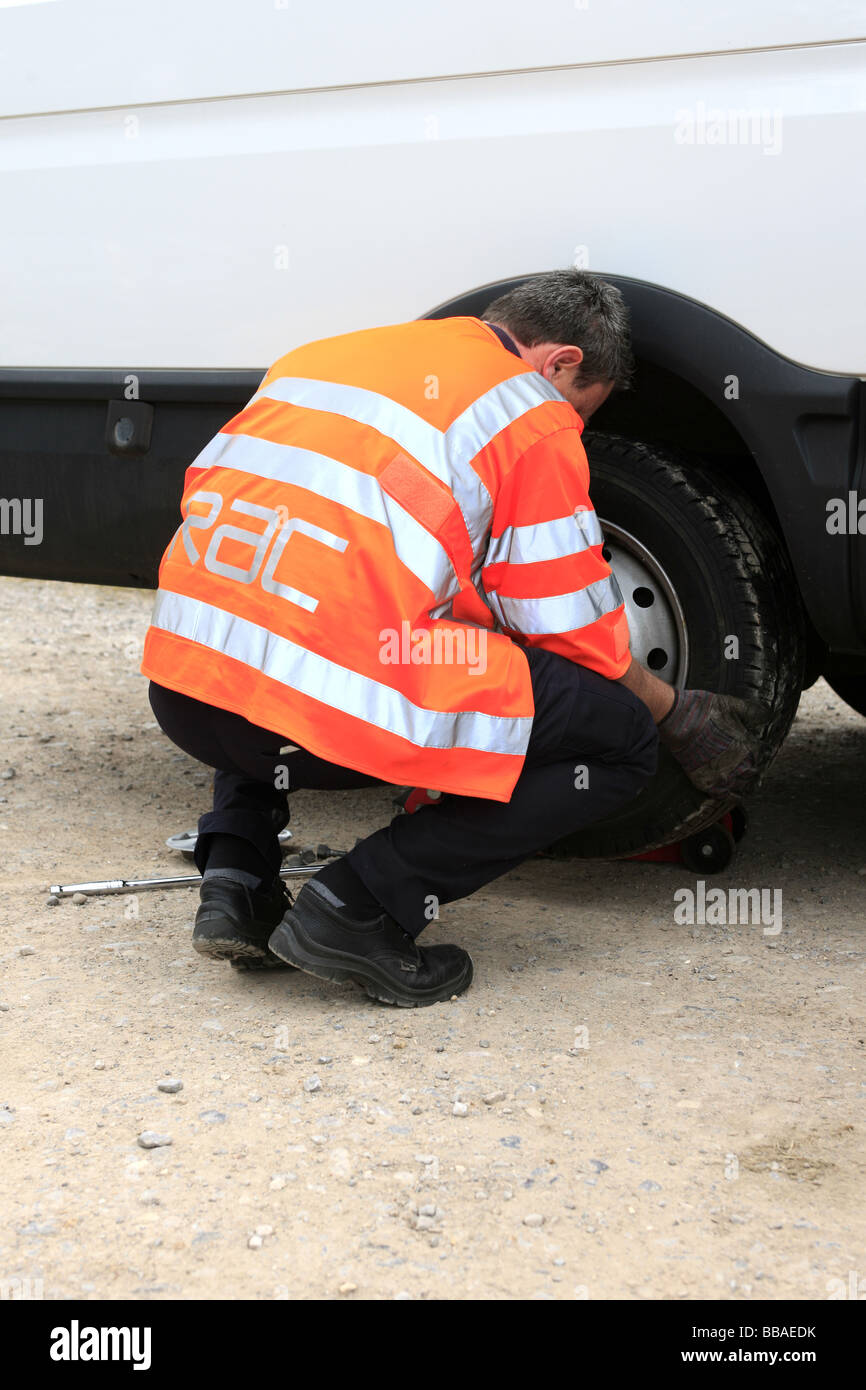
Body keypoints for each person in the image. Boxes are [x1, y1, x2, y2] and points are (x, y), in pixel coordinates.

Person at [142, 270, 764, 1008]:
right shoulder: (528, 411)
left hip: (187, 686)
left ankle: (237, 881)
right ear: (559, 363)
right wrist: (673, 711)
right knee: (619, 741)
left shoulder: (323, 357)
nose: (576, 427)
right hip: (321, 716)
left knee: (280, 619)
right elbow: (568, 625)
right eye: (582, 409)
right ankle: (359, 905)